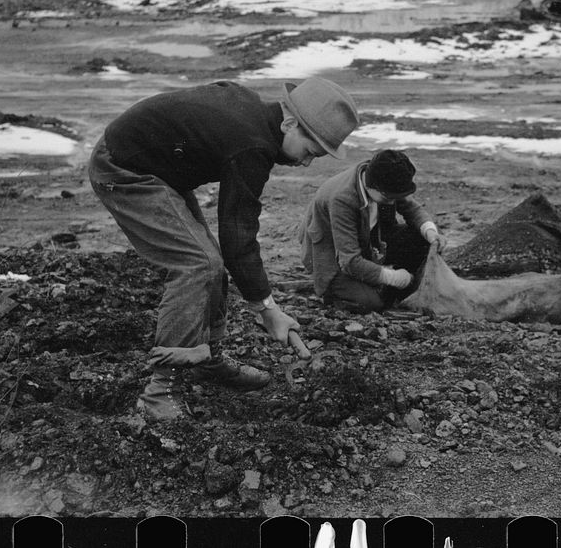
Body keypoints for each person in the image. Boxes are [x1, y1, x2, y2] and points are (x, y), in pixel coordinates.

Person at [88, 77, 360, 421]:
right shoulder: (251, 146)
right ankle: (160, 392)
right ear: (289, 123)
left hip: (156, 168)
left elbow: (234, 239)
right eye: (309, 152)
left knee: (208, 260)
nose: (306, 163)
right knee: (199, 264)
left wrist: (264, 304)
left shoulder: (254, 112)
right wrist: (267, 309)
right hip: (123, 168)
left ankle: (207, 361)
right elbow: (238, 236)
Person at [299, 149, 448, 313]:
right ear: (372, 187)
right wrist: (393, 277)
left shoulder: (383, 173)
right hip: (331, 254)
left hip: (368, 238)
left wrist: (430, 232)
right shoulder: (342, 199)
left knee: (423, 239)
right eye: (388, 198)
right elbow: (349, 261)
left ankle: (395, 289)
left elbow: (413, 210)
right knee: (372, 304)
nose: (392, 203)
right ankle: (337, 293)